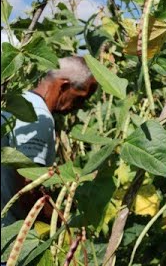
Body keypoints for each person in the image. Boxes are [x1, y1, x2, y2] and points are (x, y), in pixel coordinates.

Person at [1, 57, 98, 227]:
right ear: (64, 86)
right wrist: (61, 225)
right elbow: (28, 187)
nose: (80, 106)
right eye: (81, 97)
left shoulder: (13, 101)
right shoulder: (38, 116)